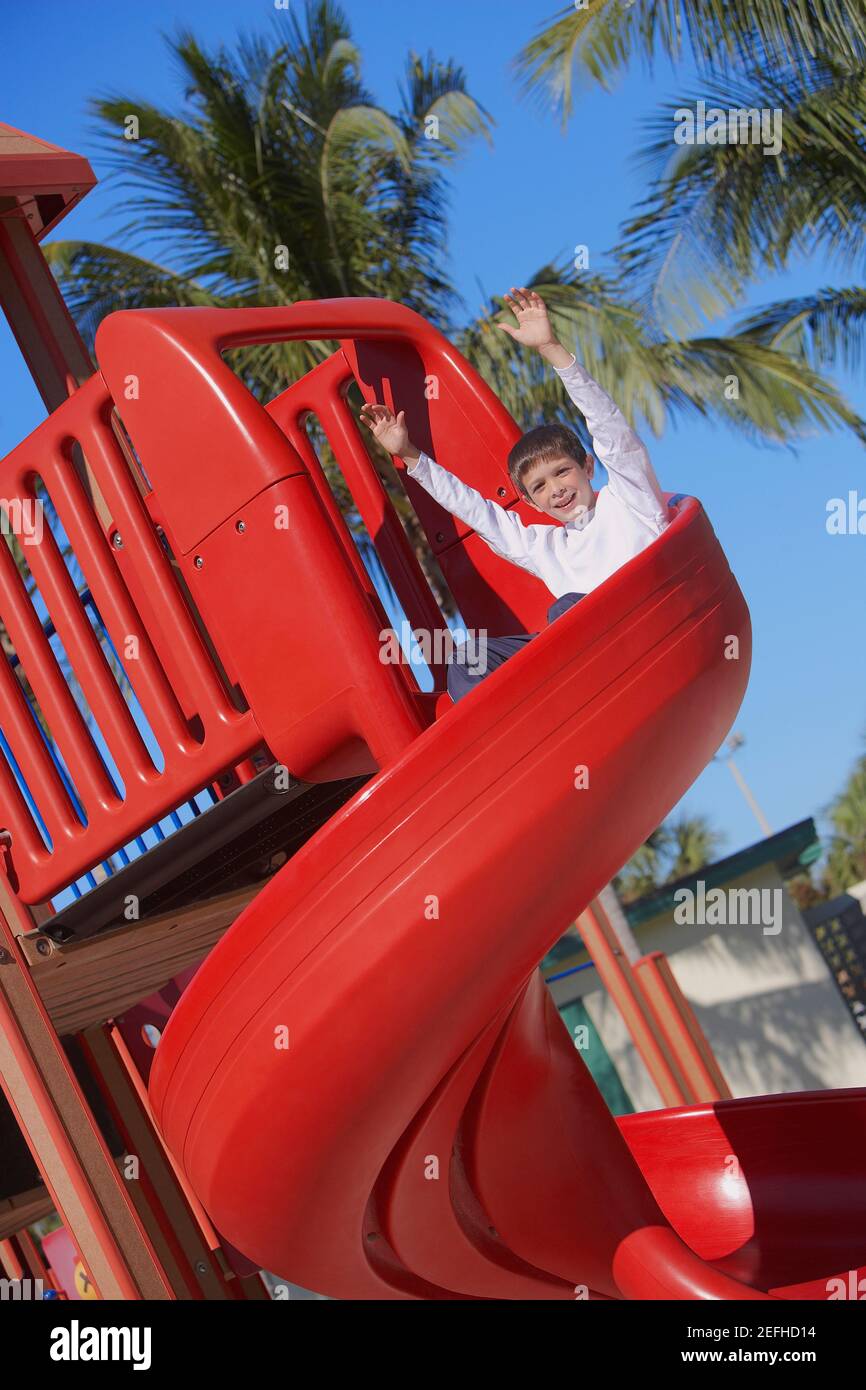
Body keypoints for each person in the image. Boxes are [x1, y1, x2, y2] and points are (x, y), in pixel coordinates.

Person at [360, 287, 670, 704]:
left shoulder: (631, 500)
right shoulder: (547, 546)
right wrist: (411, 456)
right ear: (529, 501)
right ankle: (508, 741)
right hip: (588, 658)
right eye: (540, 486)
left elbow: (612, 431)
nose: (556, 489)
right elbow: (477, 511)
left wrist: (552, 349)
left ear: (589, 468)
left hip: (649, 627)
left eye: (562, 472)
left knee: (568, 609)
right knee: (470, 658)